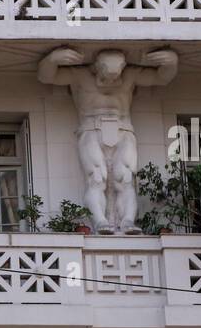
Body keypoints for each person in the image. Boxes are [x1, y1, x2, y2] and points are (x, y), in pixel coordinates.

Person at [38, 47, 179, 233]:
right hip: (90, 129)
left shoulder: (130, 76)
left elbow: (162, 78)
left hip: (124, 130)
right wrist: (51, 59)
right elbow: (47, 76)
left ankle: (128, 220)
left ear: (122, 67)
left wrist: (171, 62)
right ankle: (99, 220)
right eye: (106, 75)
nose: (112, 80)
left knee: (125, 178)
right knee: (96, 177)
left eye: (116, 75)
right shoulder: (80, 76)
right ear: (97, 67)